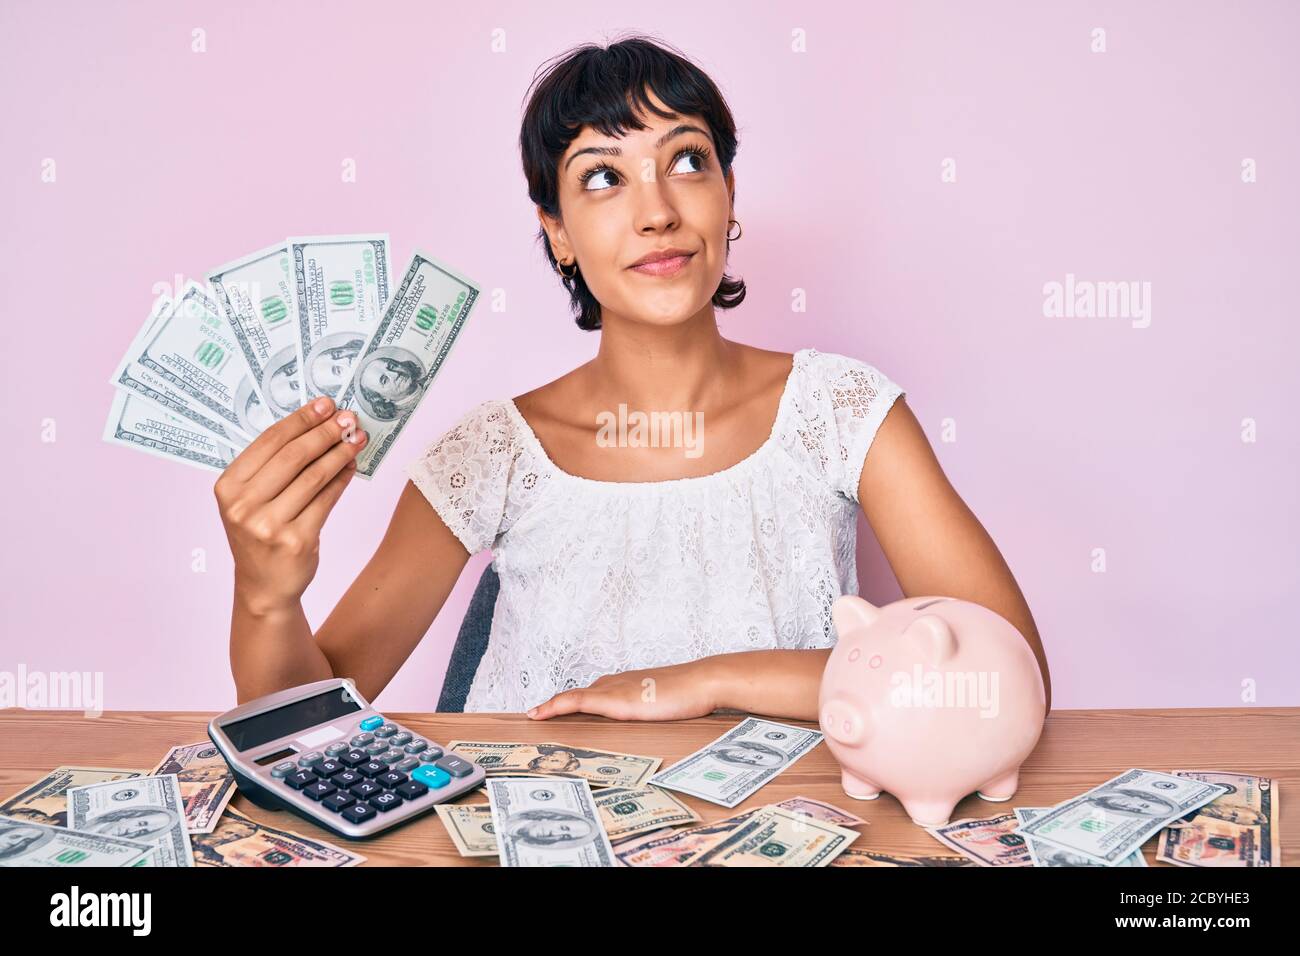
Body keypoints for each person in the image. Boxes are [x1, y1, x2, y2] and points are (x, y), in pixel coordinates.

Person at [216, 35, 1051, 722]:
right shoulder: (491, 454)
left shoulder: (845, 413)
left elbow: (1004, 675)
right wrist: (264, 598)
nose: (656, 209)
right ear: (558, 234)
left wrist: (709, 680)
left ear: (730, 198)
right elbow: (304, 730)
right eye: (603, 177)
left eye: (687, 161)